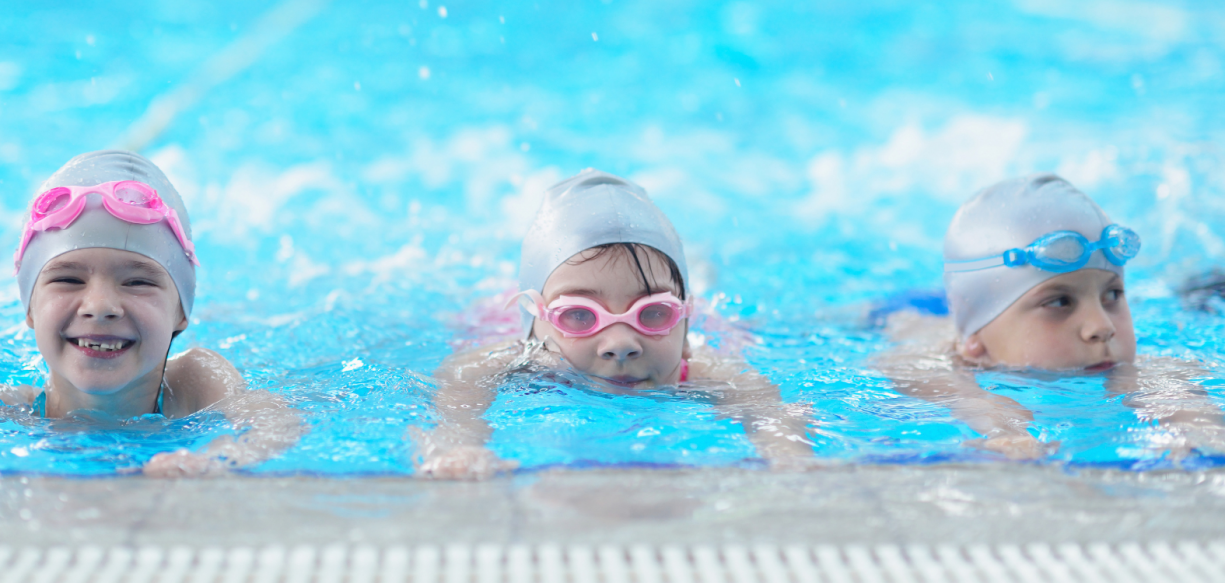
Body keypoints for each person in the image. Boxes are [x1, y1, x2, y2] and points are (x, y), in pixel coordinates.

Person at [0, 150, 303, 477]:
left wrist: (222, 458)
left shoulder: (195, 382)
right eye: (68, 279)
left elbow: (273, 420)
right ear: (30, 309)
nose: (100, 307)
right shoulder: (0, 407)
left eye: (138, 281)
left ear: (181, 312)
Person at [417, 169, 810, 479]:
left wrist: (787, 453)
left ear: (686, 332)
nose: (620, 343)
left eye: (654, 313)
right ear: (537, 329)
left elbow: (767, 412)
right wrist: (455, 450)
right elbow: (457, 394)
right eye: (580, 316)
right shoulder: (513, 360)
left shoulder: (707, 370)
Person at [878, 173, 1225, 460]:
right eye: (1060, 302)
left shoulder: (1141, 366)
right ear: (976, 343)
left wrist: (1195, 426)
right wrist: (1004, 430)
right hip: (904, 310)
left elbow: (1172, 389)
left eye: (1112, 295)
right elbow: (922, 377)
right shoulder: (934, 358)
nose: (1102, 327)